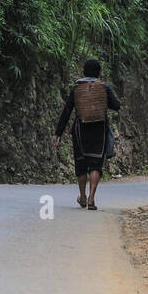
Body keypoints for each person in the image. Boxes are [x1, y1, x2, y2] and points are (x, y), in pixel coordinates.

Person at [54, 59, 120, 210]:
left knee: (81, 164)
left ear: (83, 71)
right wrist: (102, 102)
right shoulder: (104, 87)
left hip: (80, 130)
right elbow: (117, 105)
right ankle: (91, 199)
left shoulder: (77, 88)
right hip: (99, 129)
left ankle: (82, 197)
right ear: (99, 72)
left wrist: (59, 133)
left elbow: (67, 111)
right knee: (96, 164)